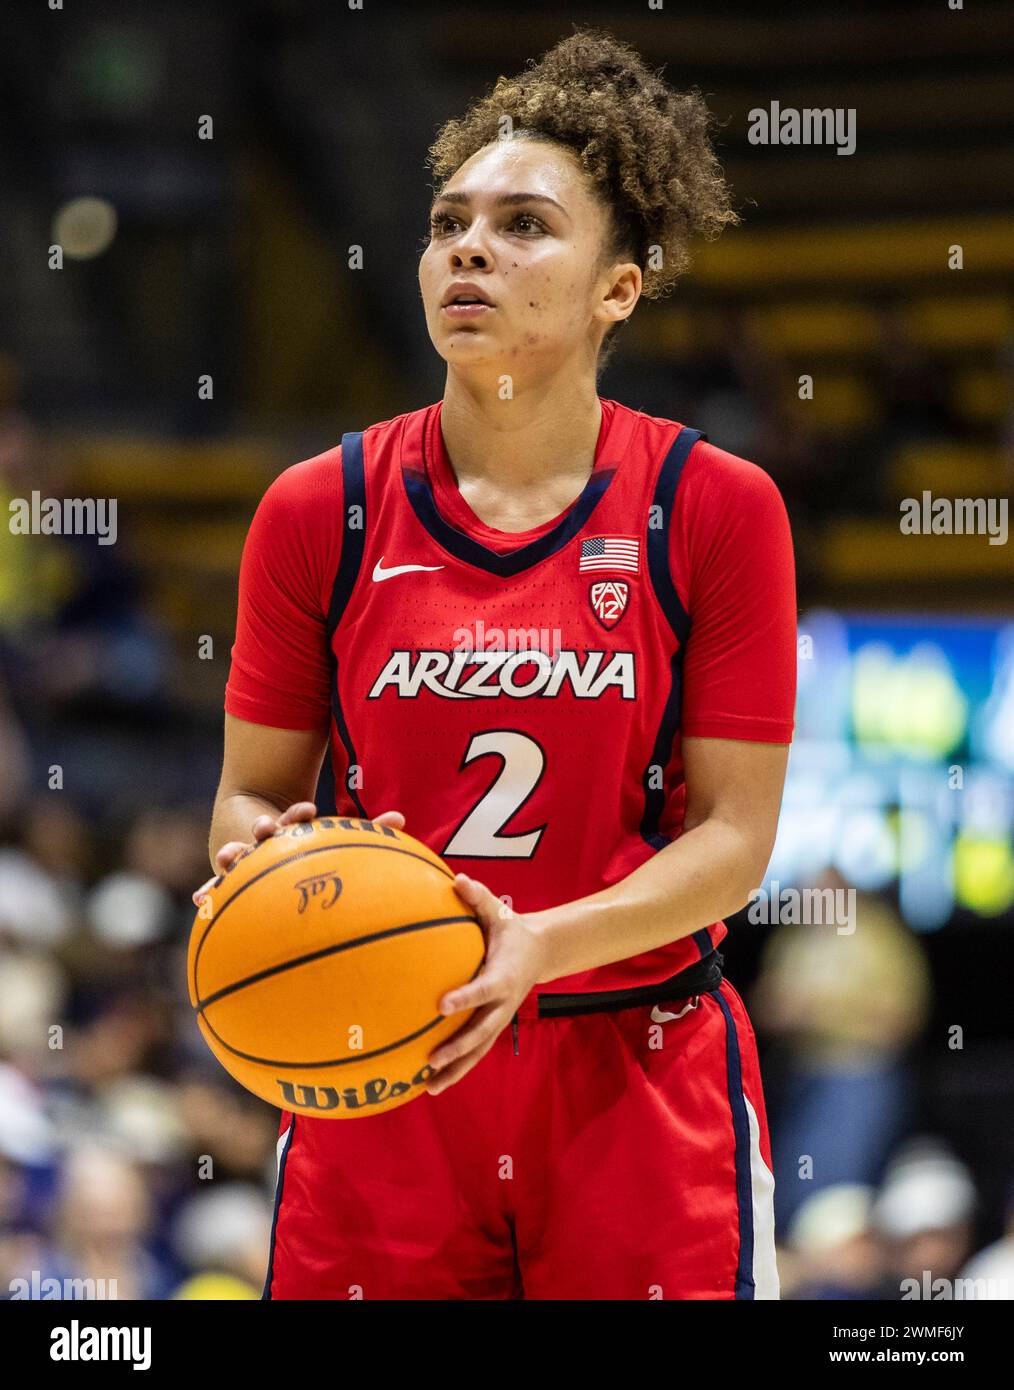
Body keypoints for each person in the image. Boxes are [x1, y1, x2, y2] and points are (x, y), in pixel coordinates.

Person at [196, 29, 796, 1300]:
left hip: (631, 1064)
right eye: (447, 221)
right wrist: (255, 858)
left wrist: (537, 943)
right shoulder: (322, 508)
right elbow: (247, 796)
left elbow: (738, 845)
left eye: (524, 224)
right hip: (380, 1058)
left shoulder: (714, 506)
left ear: (618, 289)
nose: (469, 247)